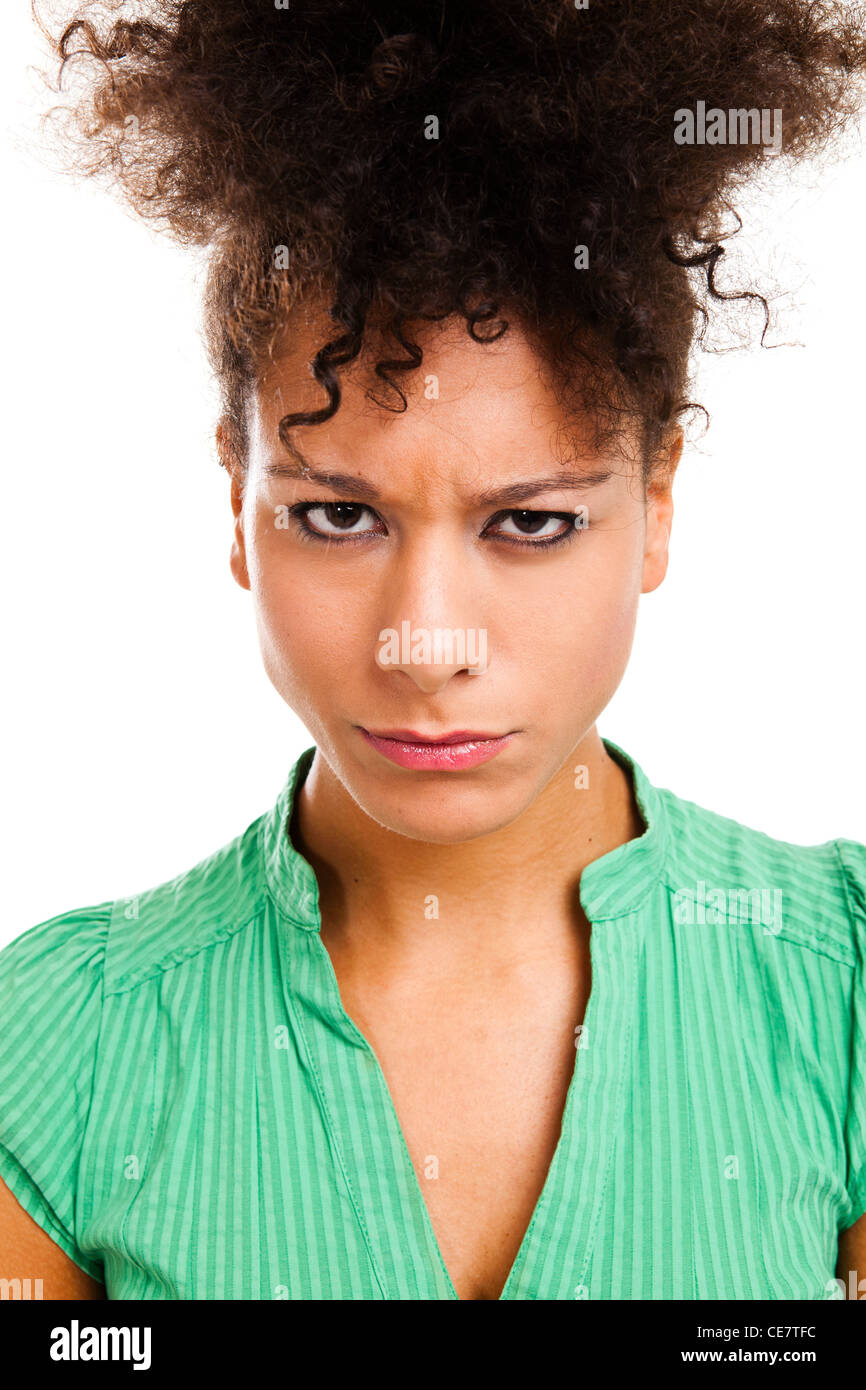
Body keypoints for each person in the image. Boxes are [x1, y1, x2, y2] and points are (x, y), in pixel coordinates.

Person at [1, 0, 864, 1300]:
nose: (425, 639)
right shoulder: (61, 1042)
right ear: (237, 500)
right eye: (338, 514)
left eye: (529, 521)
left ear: (658, 505)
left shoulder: (838, 994)